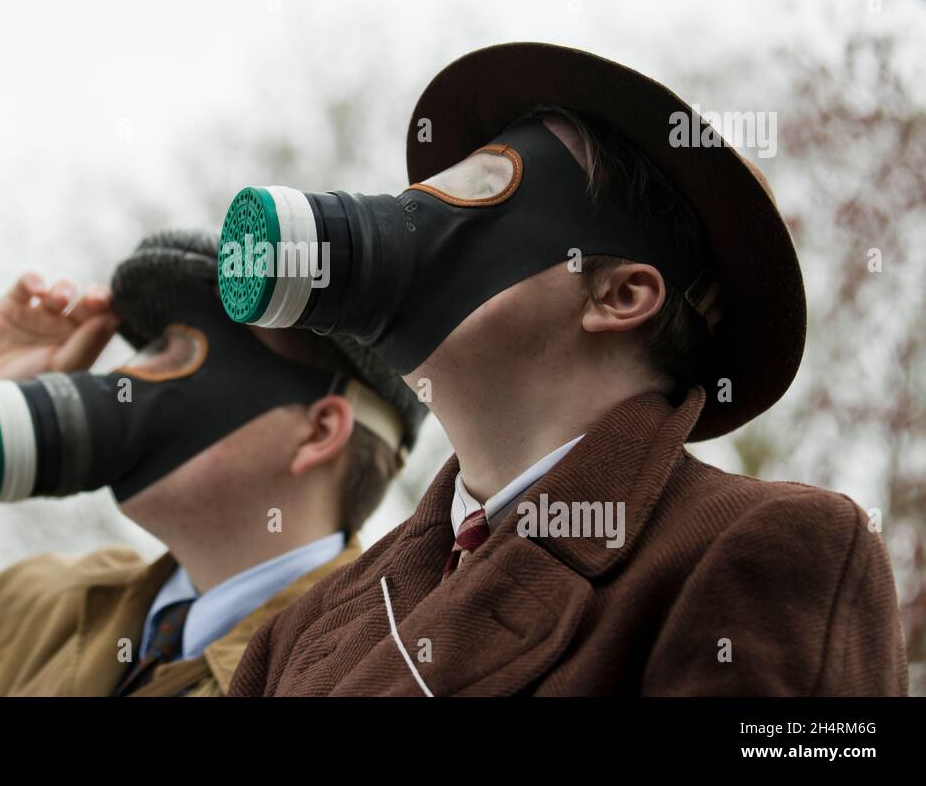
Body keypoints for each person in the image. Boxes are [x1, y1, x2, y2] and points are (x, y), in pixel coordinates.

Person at [219, 43, 908, 695]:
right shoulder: (303, 631)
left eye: (485, 186)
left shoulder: (767, 552)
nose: (419, 211)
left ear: (621, 295)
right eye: (439, 184)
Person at [0, 230, 427, 696]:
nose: (124, 381)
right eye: (143, 350)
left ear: (319, 431)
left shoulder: (385, 664)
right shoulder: (40, 611)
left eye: (180, 357)